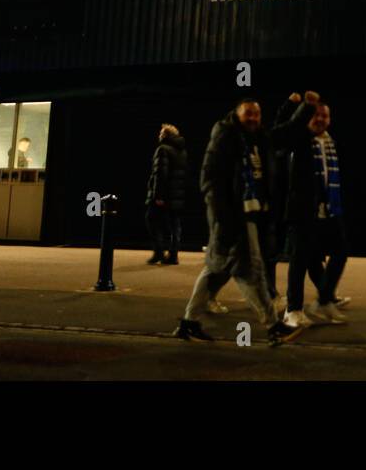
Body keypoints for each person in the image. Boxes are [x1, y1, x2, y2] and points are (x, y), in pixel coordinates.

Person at [173, 98, 312, 344]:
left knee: (215, 271)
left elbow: (285, 133)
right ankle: (272, 326)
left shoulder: (258, 138)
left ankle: (188, 323)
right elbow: (210, 181)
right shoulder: (225, 137)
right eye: (248, 114)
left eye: (257, 115)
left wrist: (305, 109)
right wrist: (222, 219)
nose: (253, 119)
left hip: (250, 214)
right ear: (237, 115)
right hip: (234, 218)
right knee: (252, 271)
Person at [282, 98, 349, 328]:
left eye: (325, 116)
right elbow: (283, 130)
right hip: (303, 211)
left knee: (338, 252)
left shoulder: (329, 141)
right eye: (316, 115)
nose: (321, 119)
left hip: (329, 210)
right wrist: (297, 108)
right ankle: (293, 310)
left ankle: (324, 299)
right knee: (300, 260)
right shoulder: (300, 139)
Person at [145, 123, 187, 265]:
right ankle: (173, 254)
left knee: (151, 219)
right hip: (178, 194)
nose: (159, 135)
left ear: (165, 135)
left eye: (161, 133)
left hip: (165, 194)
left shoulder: (162, 149)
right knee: (175, 224)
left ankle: (159, 252)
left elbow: (160, 174)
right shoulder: (182, 151)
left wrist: (158, 195)